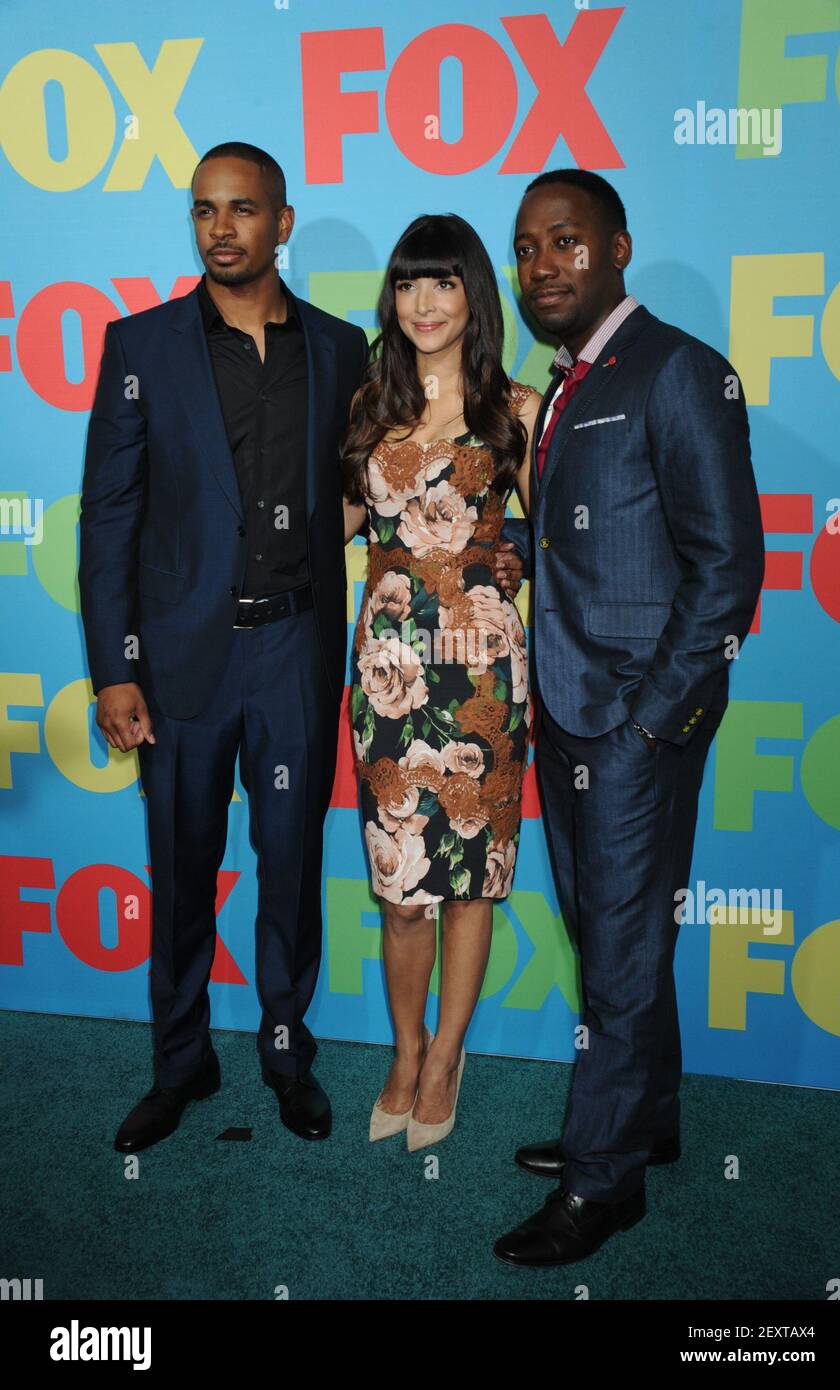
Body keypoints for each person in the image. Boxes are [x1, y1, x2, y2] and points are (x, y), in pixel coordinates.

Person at [493, 170, 765, 1266]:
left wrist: (650, 722)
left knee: (612, 948)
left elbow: (727, 566)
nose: (542, 265)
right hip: (567, 708)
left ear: (617, 248)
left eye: (565, 242)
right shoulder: (560, 383)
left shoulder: (681, 370)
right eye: (525, 248)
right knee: (619, 934)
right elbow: (574, 545)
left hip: (632, 721)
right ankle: (644, 1120)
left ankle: (602, 1187)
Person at [78, 142, 369, 1152]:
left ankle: (287, 1054)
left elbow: (384, 486)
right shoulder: (141, 347)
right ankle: (179, 1063)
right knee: (182, 867)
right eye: (205, 209)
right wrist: (114, 669)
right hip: (178, 659)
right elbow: (109, 518)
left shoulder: (341, 350)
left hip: (291, 650)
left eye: (243, 209)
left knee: (288, 867)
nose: (221, 228)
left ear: (280, 223)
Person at [341, 213, 542, 1151]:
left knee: (471, 877)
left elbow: (557, 541)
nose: (423, 304)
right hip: (388, 671)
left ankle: (447, 1053)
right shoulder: (367, 410)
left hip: (483, 677)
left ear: (473, 296)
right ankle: (405, 1044)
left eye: (444, 283)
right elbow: (332, 528)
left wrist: (509, 558)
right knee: (401, 885)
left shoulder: (519, 408)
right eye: (409, 284)